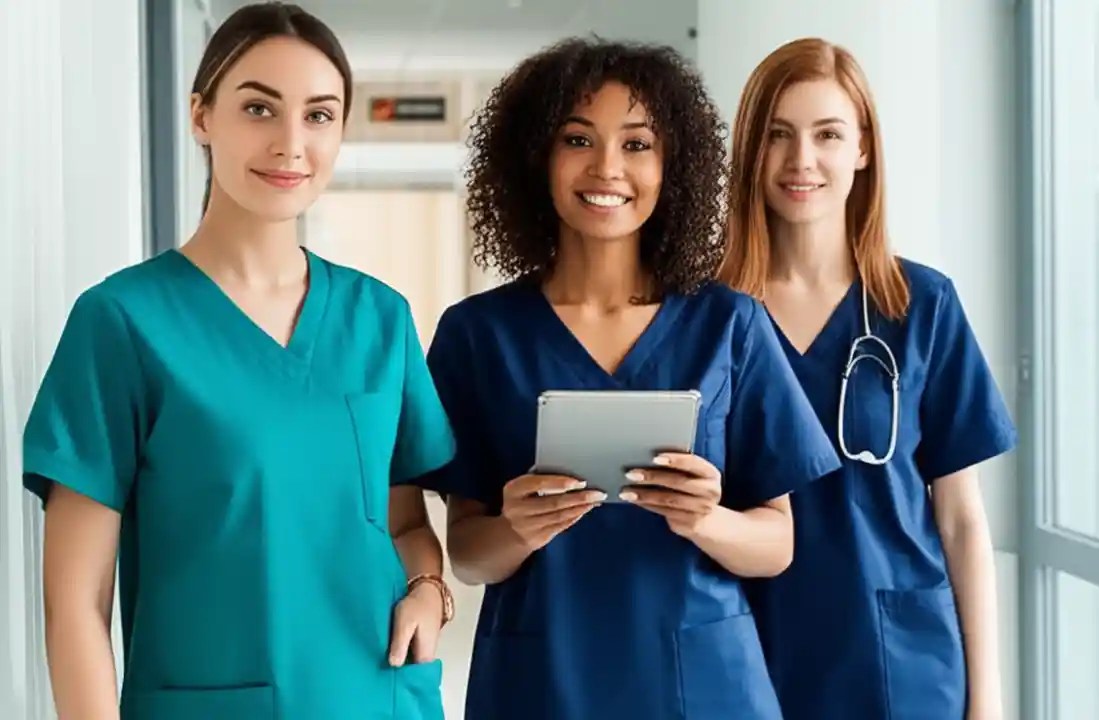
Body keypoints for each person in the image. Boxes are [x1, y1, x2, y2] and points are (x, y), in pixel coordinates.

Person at [22, 4, 456, 718]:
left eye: (319, 116)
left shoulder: (379, 318)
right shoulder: (124, 323)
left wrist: (429, 594)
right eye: (259, 107)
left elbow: (406, 526)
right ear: (202, 117)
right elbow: (75, 606)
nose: (290, 143)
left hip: (377, 695)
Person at [419, 37, 840, 720]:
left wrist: (706, 519)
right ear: (537, 157)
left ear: (674, 164)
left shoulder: (730, 325)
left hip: (703, 686)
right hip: (542, 682)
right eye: (577, 139)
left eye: (638, 144)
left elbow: (778, 545)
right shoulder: (479, 334)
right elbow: (467, 553)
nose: (608, 167)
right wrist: (520, 529)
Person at [722, 38, 1018, 720]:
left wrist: (989, 699)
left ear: (862, 149)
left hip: (900, 659)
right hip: (748, 649)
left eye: (828, 134)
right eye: (778, 135)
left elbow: (961, 519)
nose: (802, 160)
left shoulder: (921, 305)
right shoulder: (707, 315)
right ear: (751, 151)